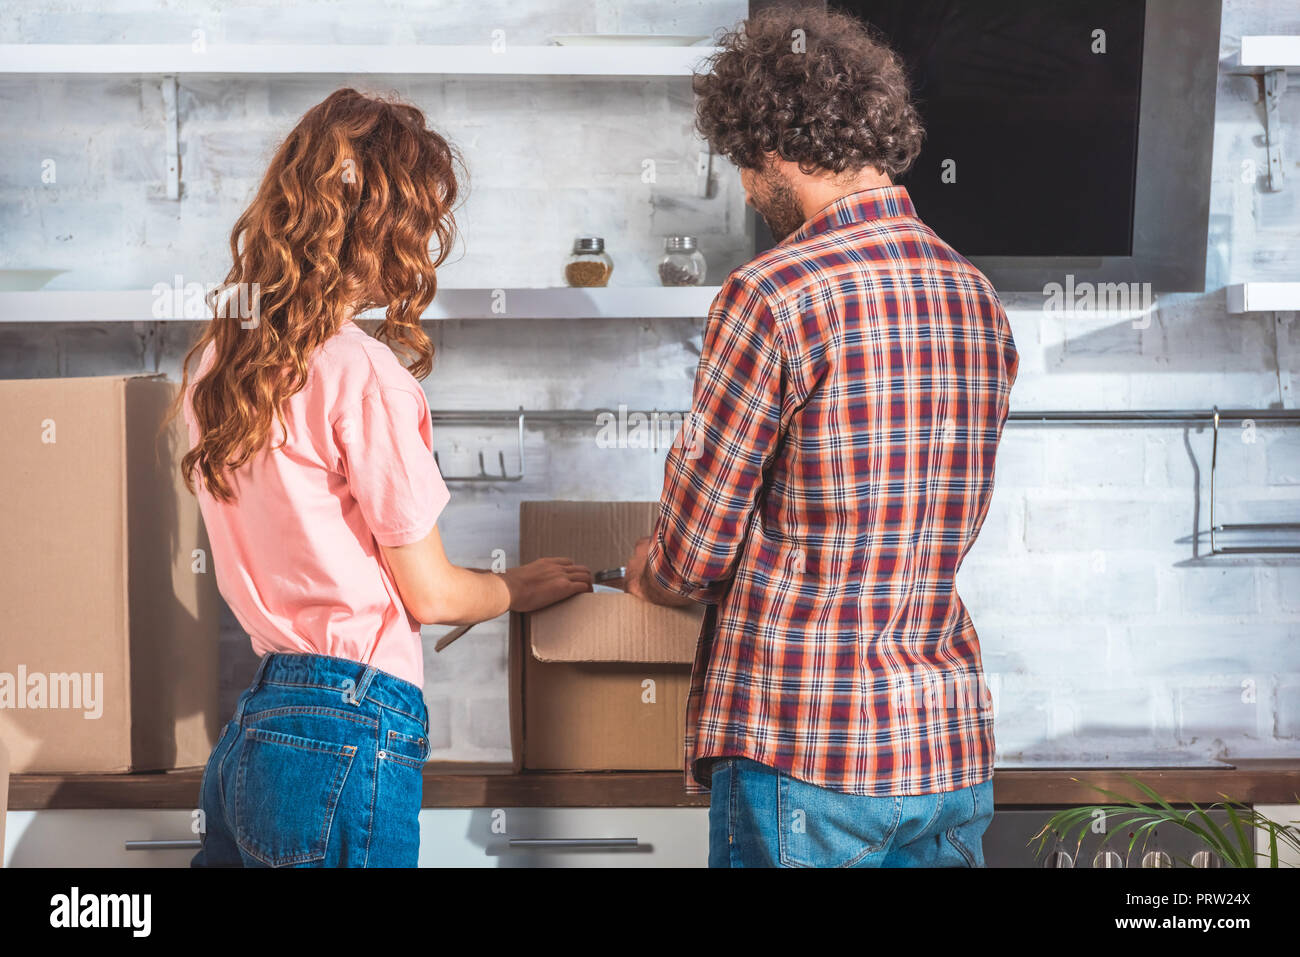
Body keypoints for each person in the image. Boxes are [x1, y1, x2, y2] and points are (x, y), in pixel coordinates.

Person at [623, 6, 1020, 867]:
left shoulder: (770, 294)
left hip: (807, 749)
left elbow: (692, 555)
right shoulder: (976, 297)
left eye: (742, 161)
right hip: (945, 747)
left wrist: (644, 573)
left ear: (778, 148)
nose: (743, 186)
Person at [176, 89, 592, 868]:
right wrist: (515, 588)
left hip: (256, 731)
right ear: (380, 227)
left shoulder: (218, 368)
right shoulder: (362, 372)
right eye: (419, 222)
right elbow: (430, 594)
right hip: (348, 725)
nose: (425, 243)